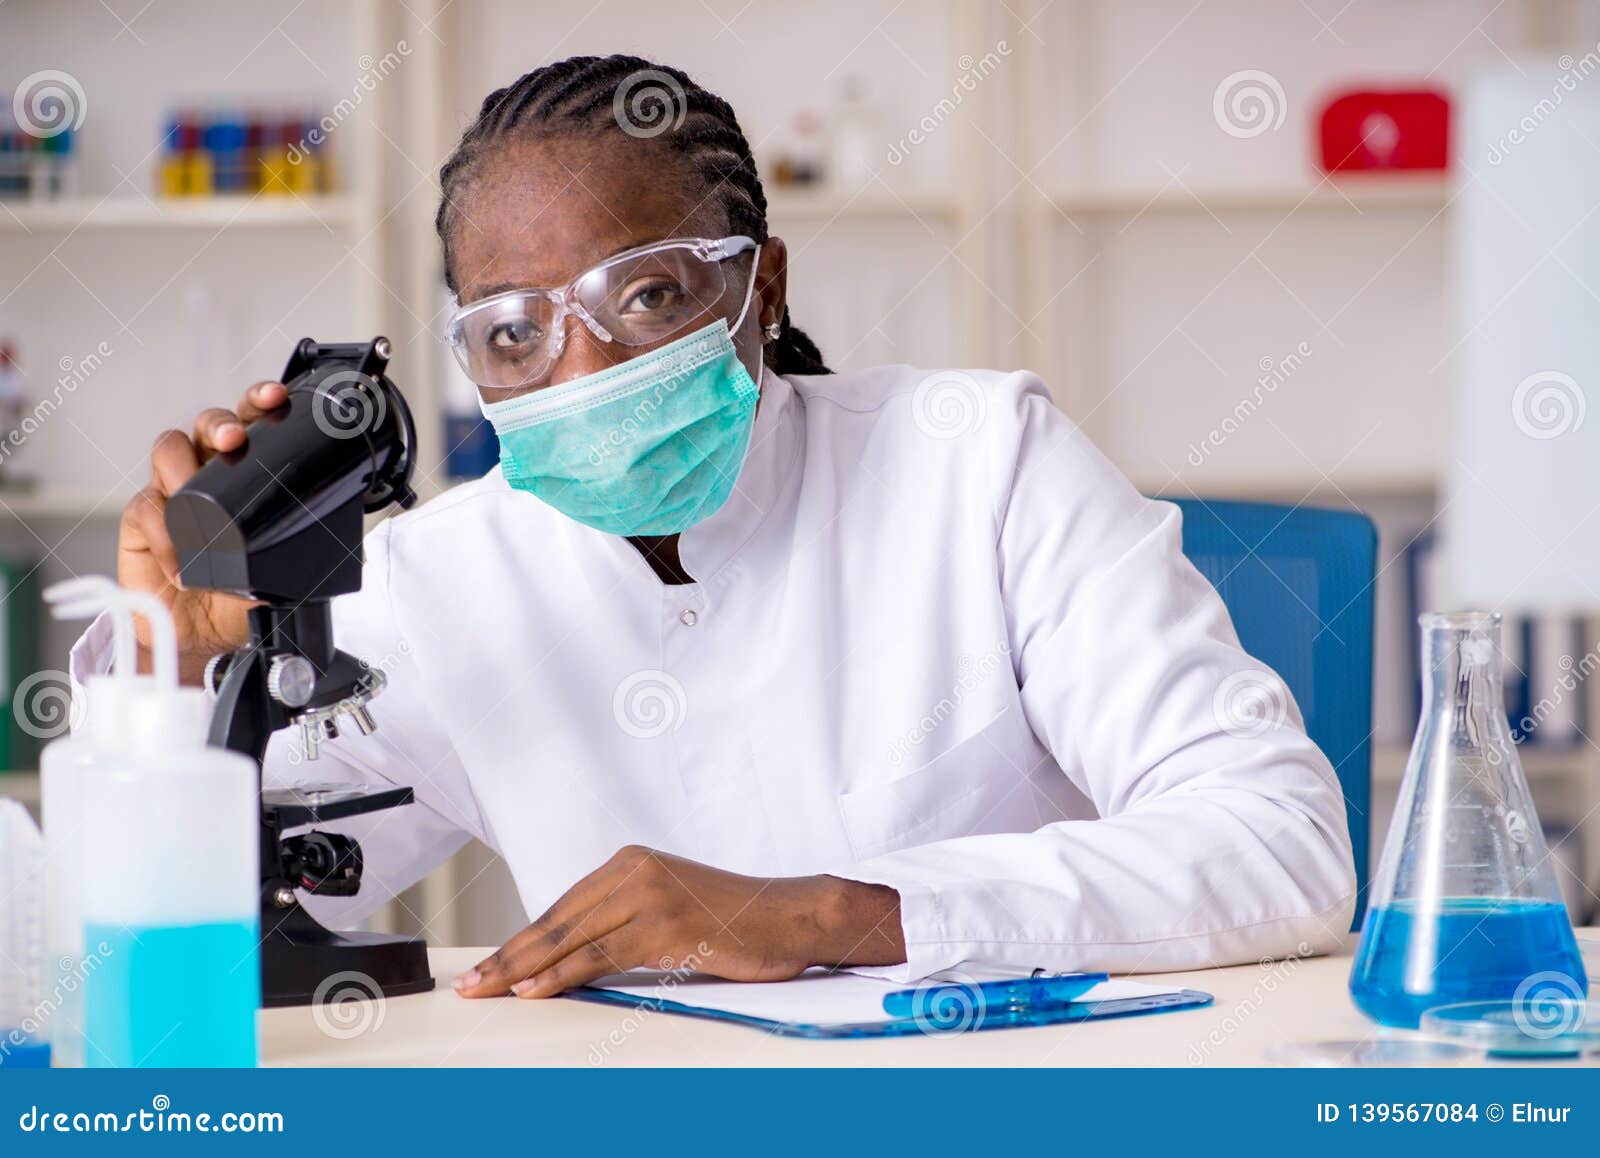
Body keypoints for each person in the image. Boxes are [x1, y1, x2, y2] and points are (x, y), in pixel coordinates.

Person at [78, 55, 1355, 1000]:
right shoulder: (438, 579)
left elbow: (1278, 846)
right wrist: (184, 668)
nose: (579, 368)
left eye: (643, 296)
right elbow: (184, 920)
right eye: (513, 332)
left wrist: (829, 913)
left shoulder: (983, 466)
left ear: (761, 285)